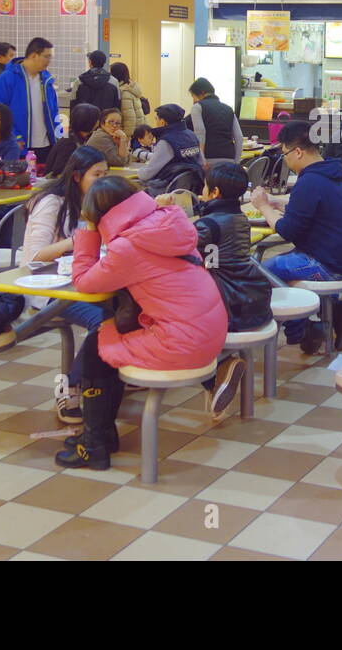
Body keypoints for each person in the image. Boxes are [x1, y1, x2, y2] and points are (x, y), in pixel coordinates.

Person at [57, 176, 229, 469]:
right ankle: (102, 434)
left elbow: (84, 282)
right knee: (107, 335)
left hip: (181, 340)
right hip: (209, 330)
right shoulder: (168, 224)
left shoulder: (128, 247)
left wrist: (88, 233)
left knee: (98, 346)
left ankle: (94, 445)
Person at [168, 161, 273, 413]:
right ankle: (219, 373)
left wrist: (169, 213)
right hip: (254, 297)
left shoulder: (210, 224)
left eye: (205, 187)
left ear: (214, 193)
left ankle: (220, 368)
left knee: (173, 318)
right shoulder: (240, 217)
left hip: (230, 306)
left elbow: (174, 245)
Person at [250, 122, 342, 354]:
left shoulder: (309, 181)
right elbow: (315, 206)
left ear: (297, 151)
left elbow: (288, 231)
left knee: (261, 272)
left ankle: (304, 329)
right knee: (284, 267)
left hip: (326, 263)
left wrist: (263, 207)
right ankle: (333, 309)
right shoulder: (331, 171)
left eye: (285, 154)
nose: (286, 161)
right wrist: (279, 202)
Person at [19, 145, 110, 424]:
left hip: (81, 281)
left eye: (106, 174)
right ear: (77, 177)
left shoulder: (93, 200)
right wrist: (81, 240)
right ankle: (70, 386)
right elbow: (33, 256)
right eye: (97, 175)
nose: (103, 181)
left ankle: (112, 375)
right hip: (47, 287)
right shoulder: (51, 202)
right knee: (105, 322)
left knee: (131, 308)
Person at [0, 37, 60, 163]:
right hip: (19, 146)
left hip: (46, 146)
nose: (49, 61)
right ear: (33, 55)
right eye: (47, 56)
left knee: (44, 181)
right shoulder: (8, 78)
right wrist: (15, 137)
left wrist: (58, 138)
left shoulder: (46, 80)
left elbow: (54, 112)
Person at [137, 104, 204, 190]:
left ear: (162, 122)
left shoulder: (166, 141)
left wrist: (139, 172)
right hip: (193, 188)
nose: (155, 122)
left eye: (156, 119)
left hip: (167, 190)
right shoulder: (191, 135)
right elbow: (202, 162)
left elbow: (147, 174)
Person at [188, 77, 243, 165]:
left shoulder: (198, 107)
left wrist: (202, 161)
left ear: (202, 93)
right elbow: (239, 137)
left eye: (193, 96)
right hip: (229, 158)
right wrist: (236, 161)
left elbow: (200, 133)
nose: (194, 100)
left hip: (209, 159)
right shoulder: (228, 109)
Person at [43, 103, 101, 180]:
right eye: (97, 119)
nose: (98, 122)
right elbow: (60, 171)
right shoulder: (69, 142)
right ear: (90, 122)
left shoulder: (77, 137)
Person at [111, 62, 148, 136]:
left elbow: (129, 118)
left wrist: (126, 136)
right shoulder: (131, 87)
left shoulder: (124, 92)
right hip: (139, 129)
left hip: (133, 133)